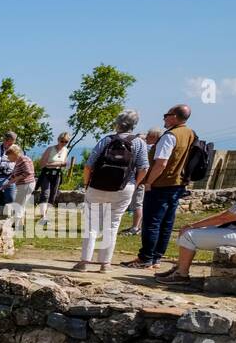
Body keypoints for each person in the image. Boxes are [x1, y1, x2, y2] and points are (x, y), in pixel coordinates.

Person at [156, 160, 236, 287]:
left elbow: (226, 217)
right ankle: (179, 267)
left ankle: (181, 275)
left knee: (189, 235)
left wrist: (192, 225)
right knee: (190, 231)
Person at [73, 109, 149, 273]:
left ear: (117, 123)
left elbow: (88, 165)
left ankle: (84, 262)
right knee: (112, 225)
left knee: (92, 225)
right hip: (124, 188)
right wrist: (134, 184)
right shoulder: (139, 143)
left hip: (97, 186)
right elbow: (144, 168)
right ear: (134, 125)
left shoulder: (107, 140)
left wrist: (87, 184)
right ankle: (105, 264)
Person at [127, 104, 196, 269]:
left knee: (152, 221)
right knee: (167, 222)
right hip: (177, 184)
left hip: (162, 184)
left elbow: (161, 163)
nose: (164, 118)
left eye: (166, 114)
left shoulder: (170, 136)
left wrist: (149, 182)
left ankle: (146, 258)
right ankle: (157, 257)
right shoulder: (190, 134)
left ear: (174, 116)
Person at [125, 128, 162, 235]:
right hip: (144, 180)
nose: (146, 138)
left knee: (137, 203)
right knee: (139, 203)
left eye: (149, 136)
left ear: (155, 137)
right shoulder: (155, 149)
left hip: (140, 180)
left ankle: (135, 228)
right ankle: (137, 226)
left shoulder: (148, 148)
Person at [36, 131, 71, 225]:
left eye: (66, 142)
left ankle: (46, 216)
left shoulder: (65, 150)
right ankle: (43, 217)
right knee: (45, 194)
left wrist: (64, 165)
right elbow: (42, 164)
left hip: (57, 174)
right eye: (62, 141)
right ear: (58, 140)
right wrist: (57, 164)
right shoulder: (50, 149)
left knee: (53, 195)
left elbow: (65, 163)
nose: (63, 143)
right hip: (46, 174)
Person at [5, 145, 36, 225]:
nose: (8, 158)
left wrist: (15, 179)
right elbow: (14, 174)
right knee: (21, 204)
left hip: (26, 185)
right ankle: (20, 224)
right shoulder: (18, 161)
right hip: (23, 185)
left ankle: (17, 225)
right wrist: (7, 183)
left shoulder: (23, 159)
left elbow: (28, 172)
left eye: (9, 156)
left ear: (14, 153)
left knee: (18, 205)